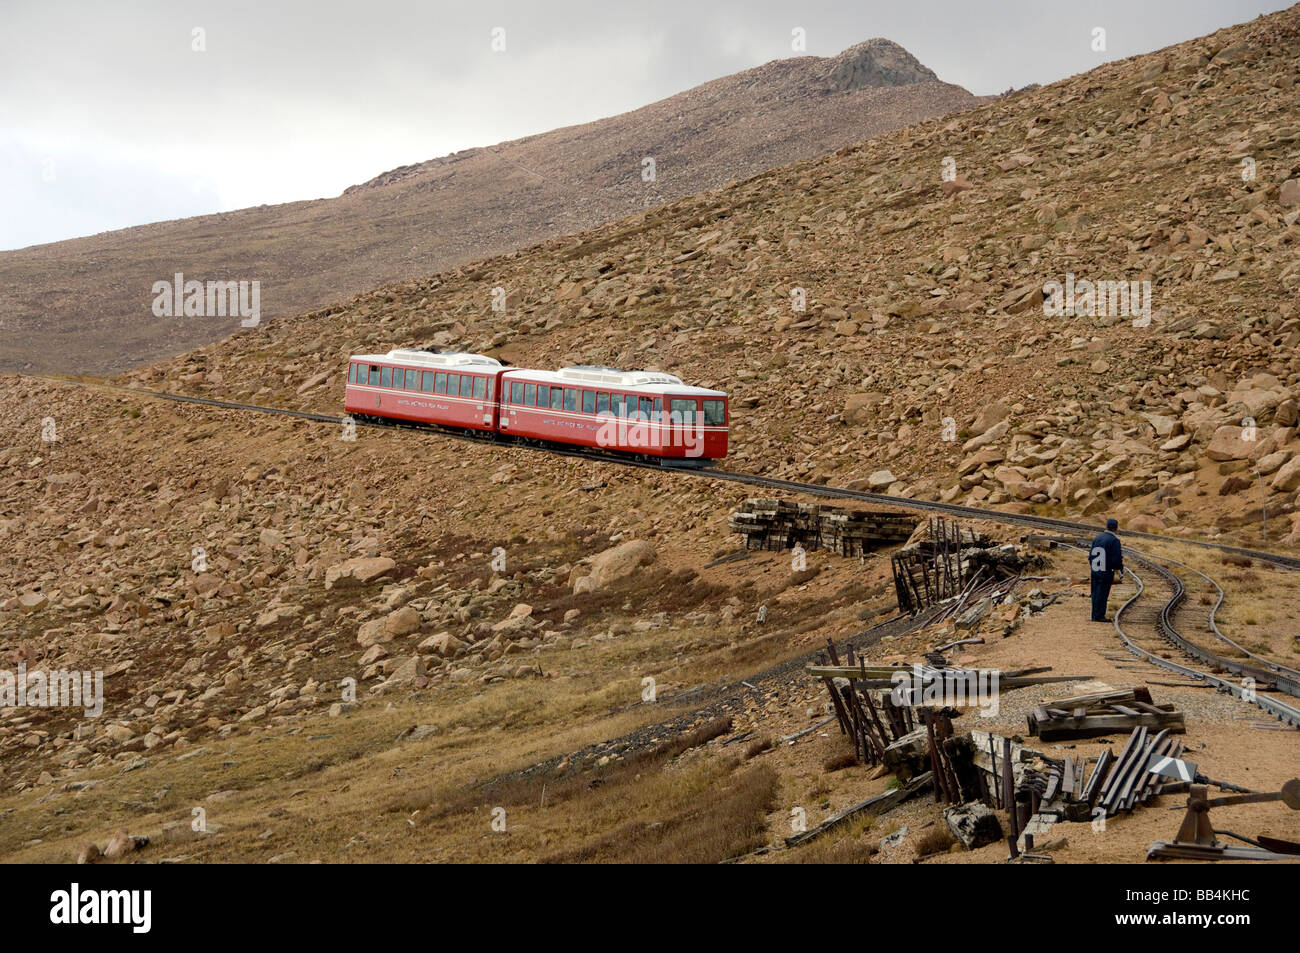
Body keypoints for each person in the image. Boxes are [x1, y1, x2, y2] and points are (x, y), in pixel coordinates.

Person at [1089, 518, 1123, 622]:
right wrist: (1118, 568)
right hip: (1106, 570)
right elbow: (1117, 558)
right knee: (1102, 594)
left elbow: (1090, 555)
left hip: (1095, 569)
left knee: (1095, 593)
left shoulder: (1097, 538)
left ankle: (1094, 615)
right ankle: (1099, 616)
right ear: (1116, 528)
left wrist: (1093, 565)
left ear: (1106, 526)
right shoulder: (1114, 540)